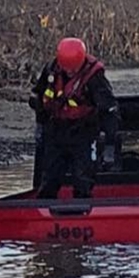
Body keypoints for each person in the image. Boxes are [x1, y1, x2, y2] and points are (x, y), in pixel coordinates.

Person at [29, 37, 119, 199]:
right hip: (55, 130)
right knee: (49, 178)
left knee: (83, 179)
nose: (69, 72)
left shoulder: (94, 76)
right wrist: (40, 125)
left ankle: (82, 207)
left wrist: (109, 145)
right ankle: (45, 206)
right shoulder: (51, 70)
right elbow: (37, 96)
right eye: (66, 68)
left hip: (84, 132)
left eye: (73, 69)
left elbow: (109, 109)